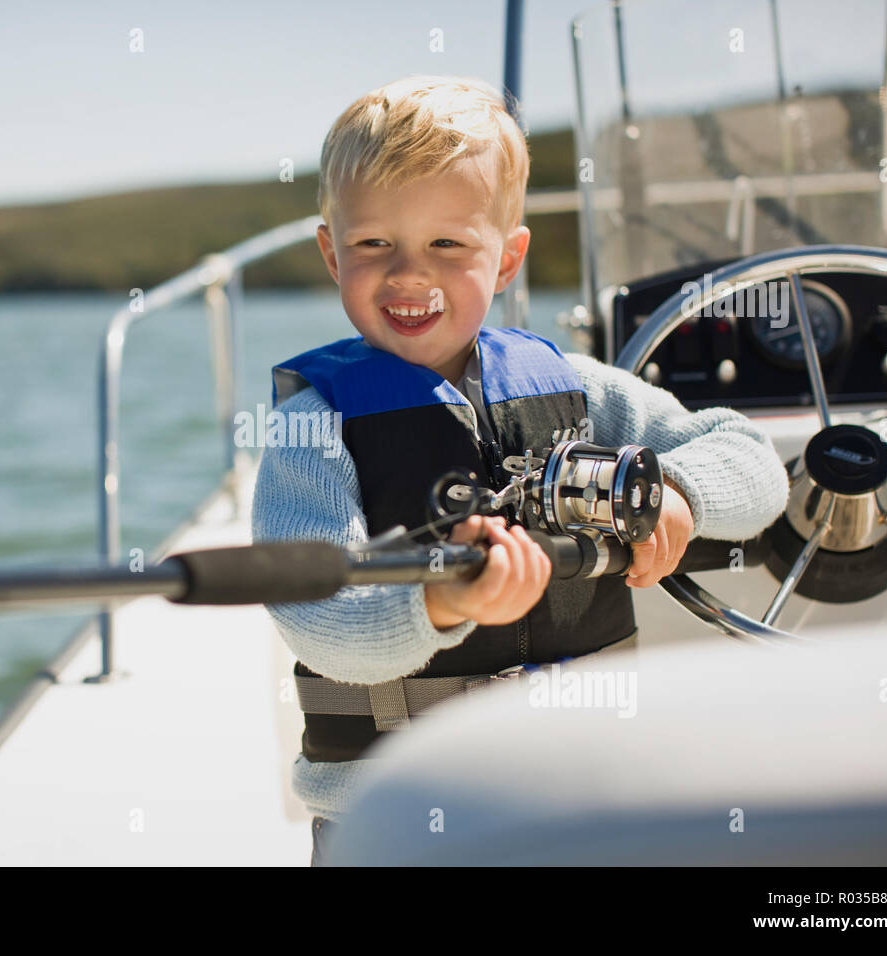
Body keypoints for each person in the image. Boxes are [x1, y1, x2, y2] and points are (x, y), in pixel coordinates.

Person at [250, 75, 790, 866]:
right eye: (375, 245)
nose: (409, 276)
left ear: (506, 259)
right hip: (398, 813)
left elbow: (749, 459)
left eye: (448, 245)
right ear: (333, 252)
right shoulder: (313, 428)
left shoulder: (577, 385)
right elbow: (323, 622)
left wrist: (676, 493)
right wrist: (437, 602)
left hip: (587, 793)